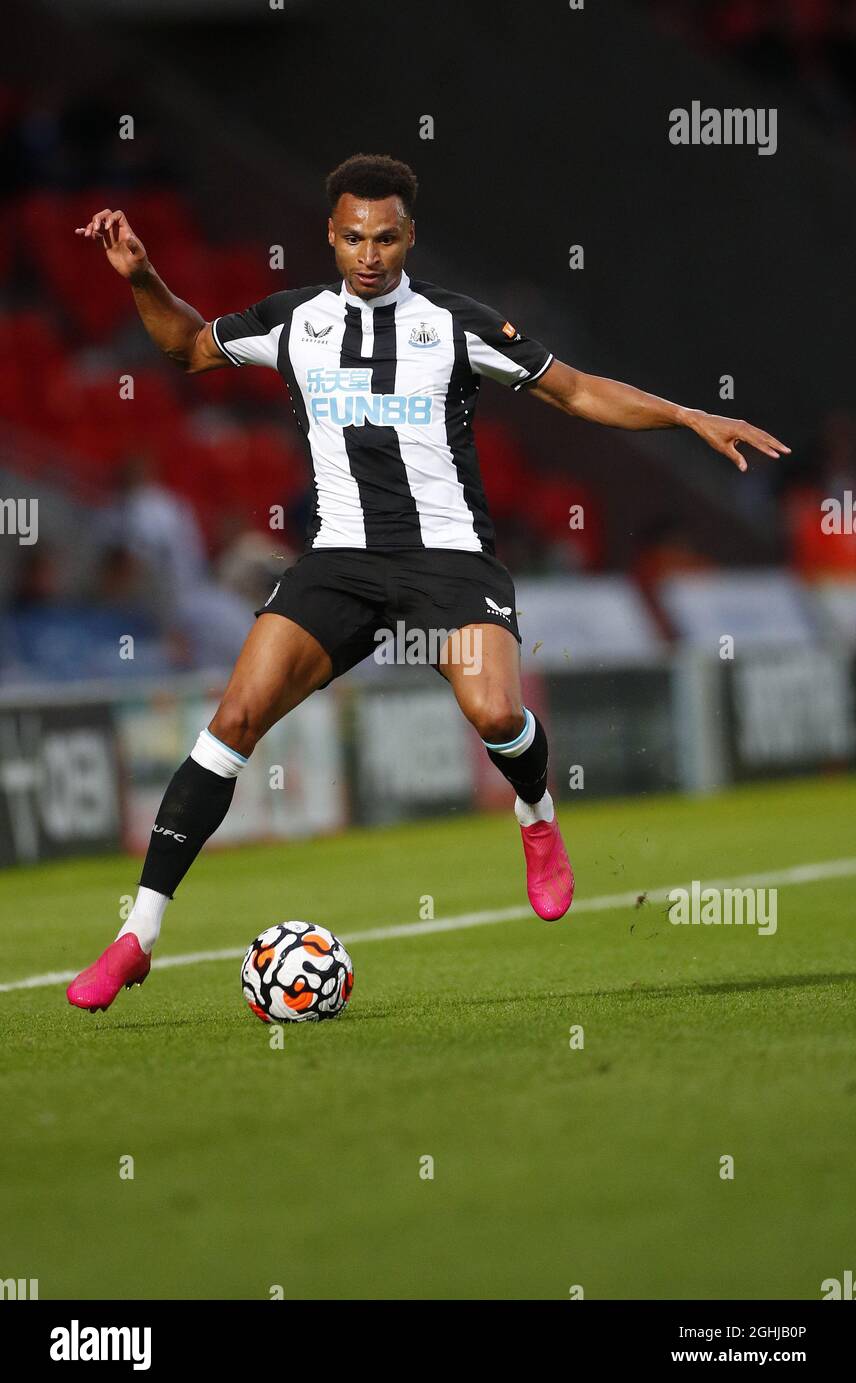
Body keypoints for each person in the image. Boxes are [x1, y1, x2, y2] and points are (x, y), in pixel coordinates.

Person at [67, 153, 789, 1012]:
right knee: (232, 719)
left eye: (384, 237)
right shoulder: (293, 321)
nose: (368, 254)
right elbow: (185, 346)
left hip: (448, 558)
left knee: (494, 714)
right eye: (351, 238)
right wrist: (145, 275)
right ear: (330, 238)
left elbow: (578, 393)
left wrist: (684, 414)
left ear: (409, 236)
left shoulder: (455, 324)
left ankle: (535, 815)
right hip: (340, 560)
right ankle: (137, 936)